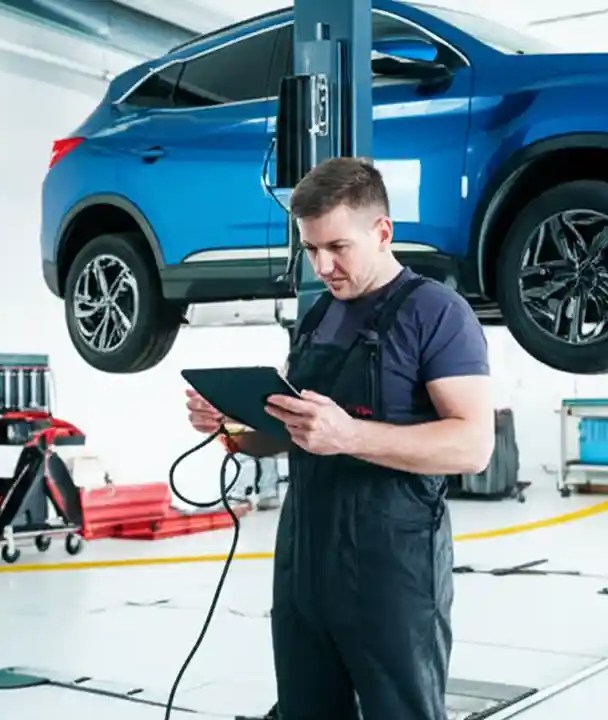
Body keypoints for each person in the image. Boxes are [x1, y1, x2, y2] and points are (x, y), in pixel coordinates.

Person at [185, 156, 494, 719]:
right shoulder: (317, 317)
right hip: (305, 559)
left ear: (382, 232)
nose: (323, 265)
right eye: (310, 249)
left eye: (338, 247)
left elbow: (473, 446)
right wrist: (231, 427)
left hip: (391, 569)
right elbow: (295, 433)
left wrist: (350, 435)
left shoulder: (437, 313)